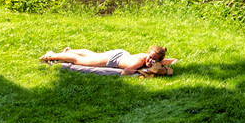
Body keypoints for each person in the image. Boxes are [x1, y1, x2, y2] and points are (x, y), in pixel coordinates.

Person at [40, 45, 174, 76]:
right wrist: (145, 72)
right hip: (113, 60)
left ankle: (69, 51)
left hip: (121, 54)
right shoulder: (140, 61)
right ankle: (52, 55)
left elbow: (169, 60)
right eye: (150, 57)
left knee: (92, 55)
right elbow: (126, 71)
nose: (150, 61)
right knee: (78, 61)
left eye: (154, 60)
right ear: (147, 54)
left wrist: (171, 62)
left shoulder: (157, 61)